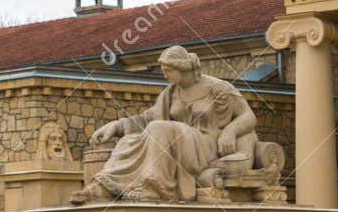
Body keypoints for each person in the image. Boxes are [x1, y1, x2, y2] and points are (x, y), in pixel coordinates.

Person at [72, 45, 257, 203]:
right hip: (176, 142)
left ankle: (155, 187)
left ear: (181, 68)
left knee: (159, 128)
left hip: (207, 146)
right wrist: (117, 126)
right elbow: (146, 119)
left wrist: (230, 131)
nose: (165, 75)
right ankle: (106, 185)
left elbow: (248, 116)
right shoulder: (171, 93)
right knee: (128, 141)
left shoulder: (218, 88)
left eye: (168, 71)